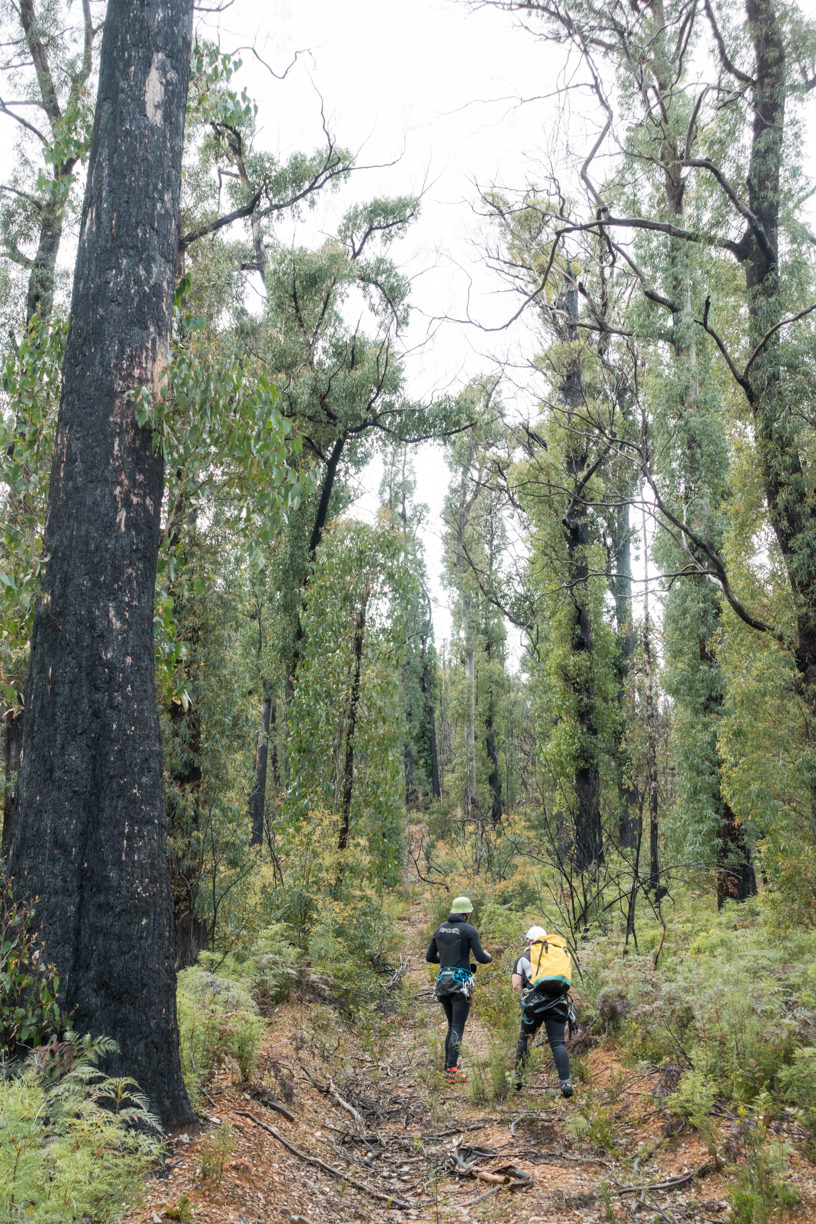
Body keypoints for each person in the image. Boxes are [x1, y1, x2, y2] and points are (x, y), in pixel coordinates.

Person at [426, 896, 492, 1084]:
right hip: (460, 984)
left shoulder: (440, 928)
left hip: (443, 983)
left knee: (451, 1026)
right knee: (457, 1027)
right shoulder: (469, 930)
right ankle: (452, 1072)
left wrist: (447, 962)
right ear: (466, 913)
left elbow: (430, 957)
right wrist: (489, 957)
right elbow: (481, 958)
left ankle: (448, 1067)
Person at [512, 924, 573, 1097]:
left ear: (528, 941)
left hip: (534, 1005)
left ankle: (517, 1078)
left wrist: (522, 1001)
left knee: (525, 1039)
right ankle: (566, 1083)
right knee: (557, 1043)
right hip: (558, 1004)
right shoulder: (556, 956)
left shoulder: (523, 958)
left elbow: (516, 985)